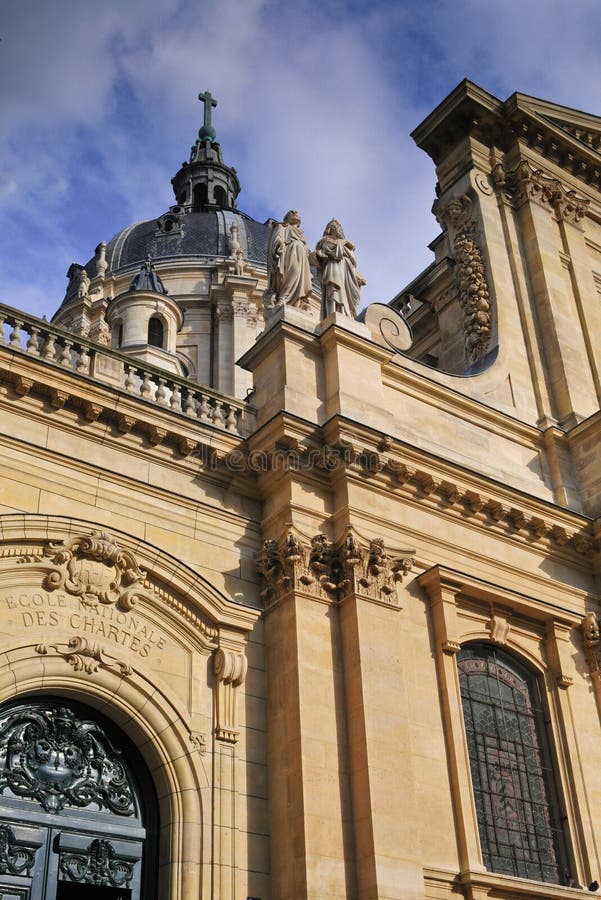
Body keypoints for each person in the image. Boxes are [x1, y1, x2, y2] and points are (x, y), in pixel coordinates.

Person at [314, 219, 365, 318]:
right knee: (335, 290)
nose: (341, 230)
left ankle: (346, 314)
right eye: (339, 228)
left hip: (346, 272)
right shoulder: (326, 241)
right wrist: (344, 242)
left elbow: (352, 260)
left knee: (345, 295)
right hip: (334, 267)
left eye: (341, 228)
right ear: (332, 229)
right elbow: (335, 253)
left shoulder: (342, 245)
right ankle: (334, 312)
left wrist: (357, 276)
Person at [265, 210, 313, 308]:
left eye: (296, 213)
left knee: (298, 275)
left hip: (301, 257)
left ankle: (293, 299)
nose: (295, 213)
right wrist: (279, 245)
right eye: (291, 213)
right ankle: (283, 297)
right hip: (289, 254)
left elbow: (309, 254)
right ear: (287, 218)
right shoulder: (282, 226)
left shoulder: (301, 235)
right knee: (293, 272)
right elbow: (276, 240)